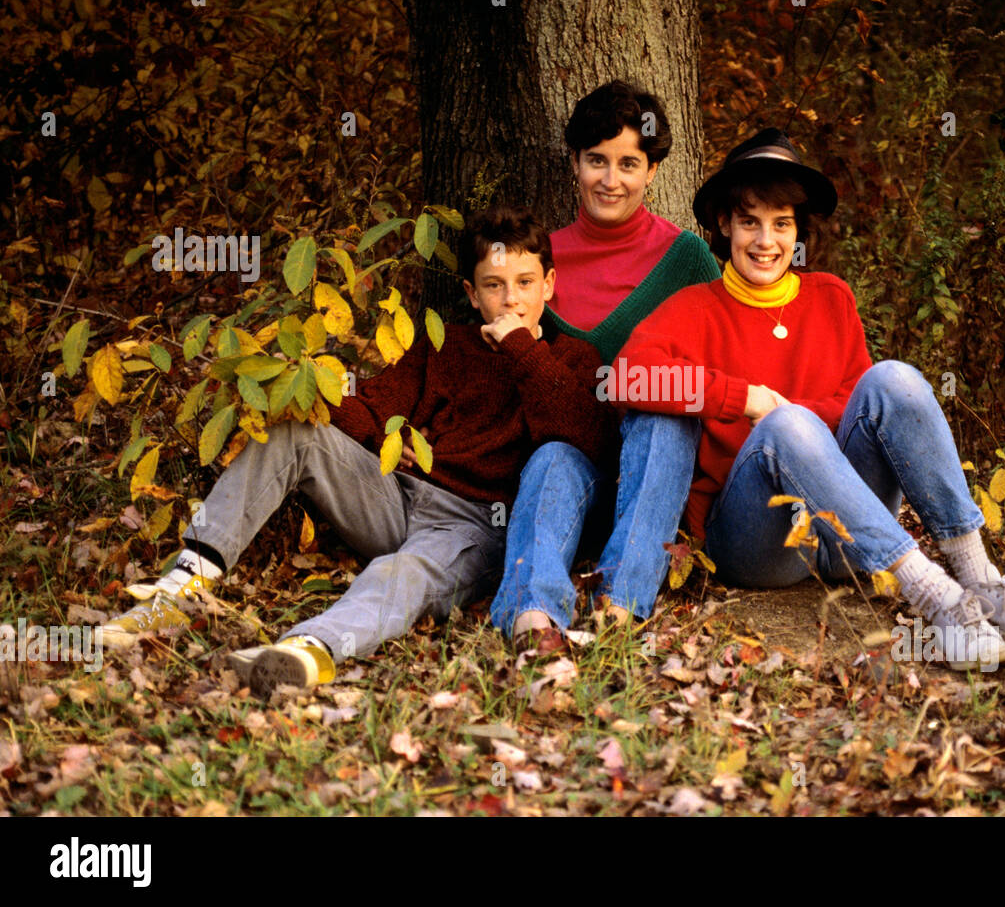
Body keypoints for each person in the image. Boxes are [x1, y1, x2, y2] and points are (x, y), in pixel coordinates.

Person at [95, 205, 615, 693]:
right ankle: (186, 580)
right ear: (471, 293)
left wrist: (522, 348)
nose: (511, 300)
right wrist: (387, 435)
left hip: (477, 526)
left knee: (401, 572)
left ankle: (310, 647)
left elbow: (586, 436)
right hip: (396, 496)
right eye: (494, 286)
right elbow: (361, 407)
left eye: (525, 283)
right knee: (296, 432)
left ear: (549, 283)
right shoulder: (442, 344)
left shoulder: (572, 357)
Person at [610, 128, 1005, 670]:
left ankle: (980, 579)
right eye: (749, 222)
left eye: (781, 224)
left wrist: (799, 426)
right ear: (724, 224)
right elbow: (628, 379)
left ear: (799, 229)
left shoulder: (830, 297)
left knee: (896, 378)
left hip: (841, 532)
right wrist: (748, 399)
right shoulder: (694, 308)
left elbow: (862, 405)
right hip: (759, 541)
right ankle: (937, 599)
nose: (764, 241)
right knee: (785, 425)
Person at [489, 80, 719, 649]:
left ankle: (620, 605)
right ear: (574, 162)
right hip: (574, 475)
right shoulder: (538, 260)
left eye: (628, 163)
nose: (611, 180)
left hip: (657, 478)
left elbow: (725, 361)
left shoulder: (686, 257)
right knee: (552, 457)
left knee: (665, 413)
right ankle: (533, 620)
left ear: (653, 170)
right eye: (596, 161)